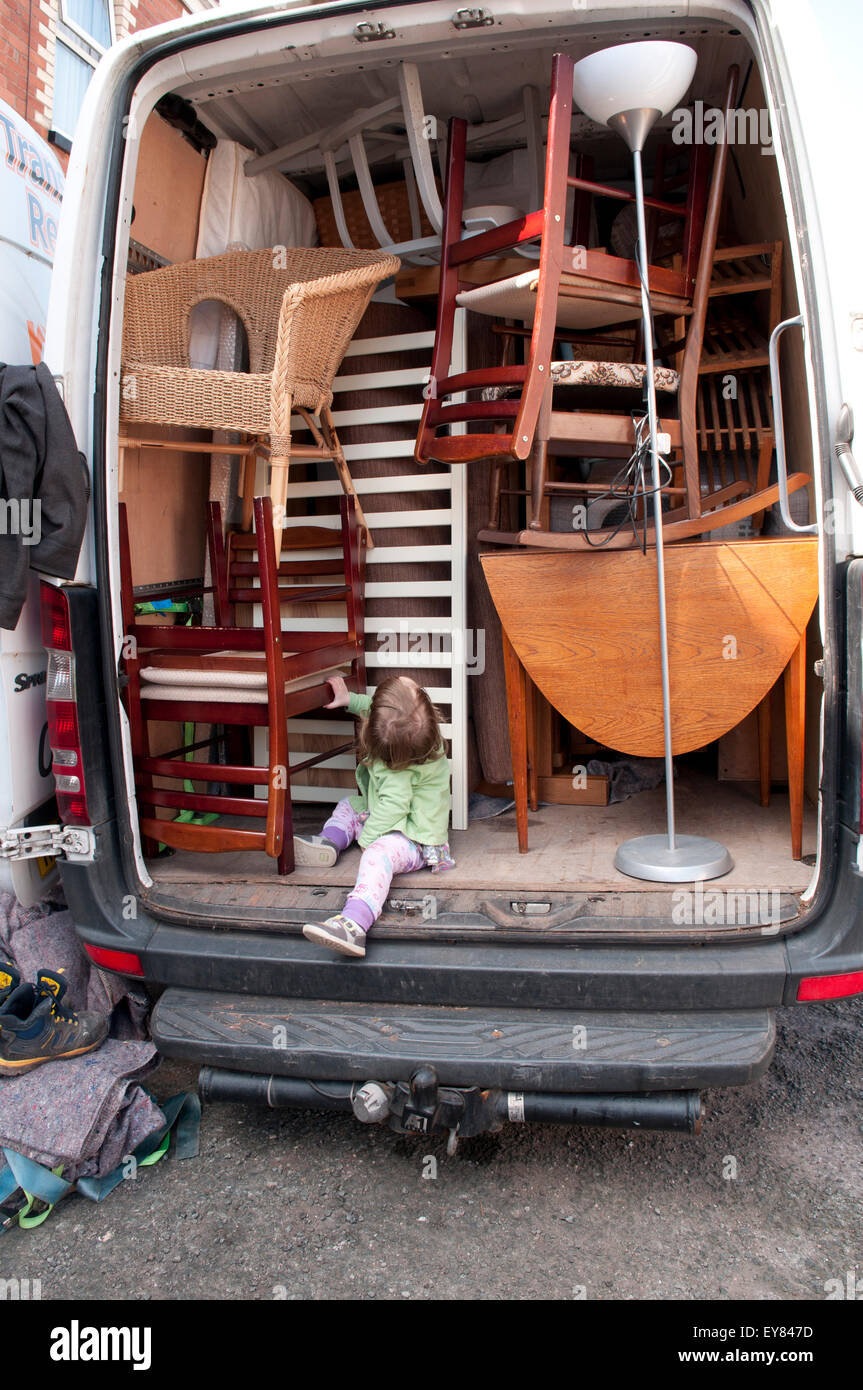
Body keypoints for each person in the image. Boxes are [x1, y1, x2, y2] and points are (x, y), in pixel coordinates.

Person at [298, 673, 454, 957]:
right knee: (349, 805)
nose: (408, 678)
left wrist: (367, 838)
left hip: (414, 838)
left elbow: (394, 806)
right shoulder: (414, 735)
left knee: (376, 855)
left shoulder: (396, 770)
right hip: (390, 817)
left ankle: (354, 923)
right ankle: (329, 842)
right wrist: (349, 701)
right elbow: (380, 710)